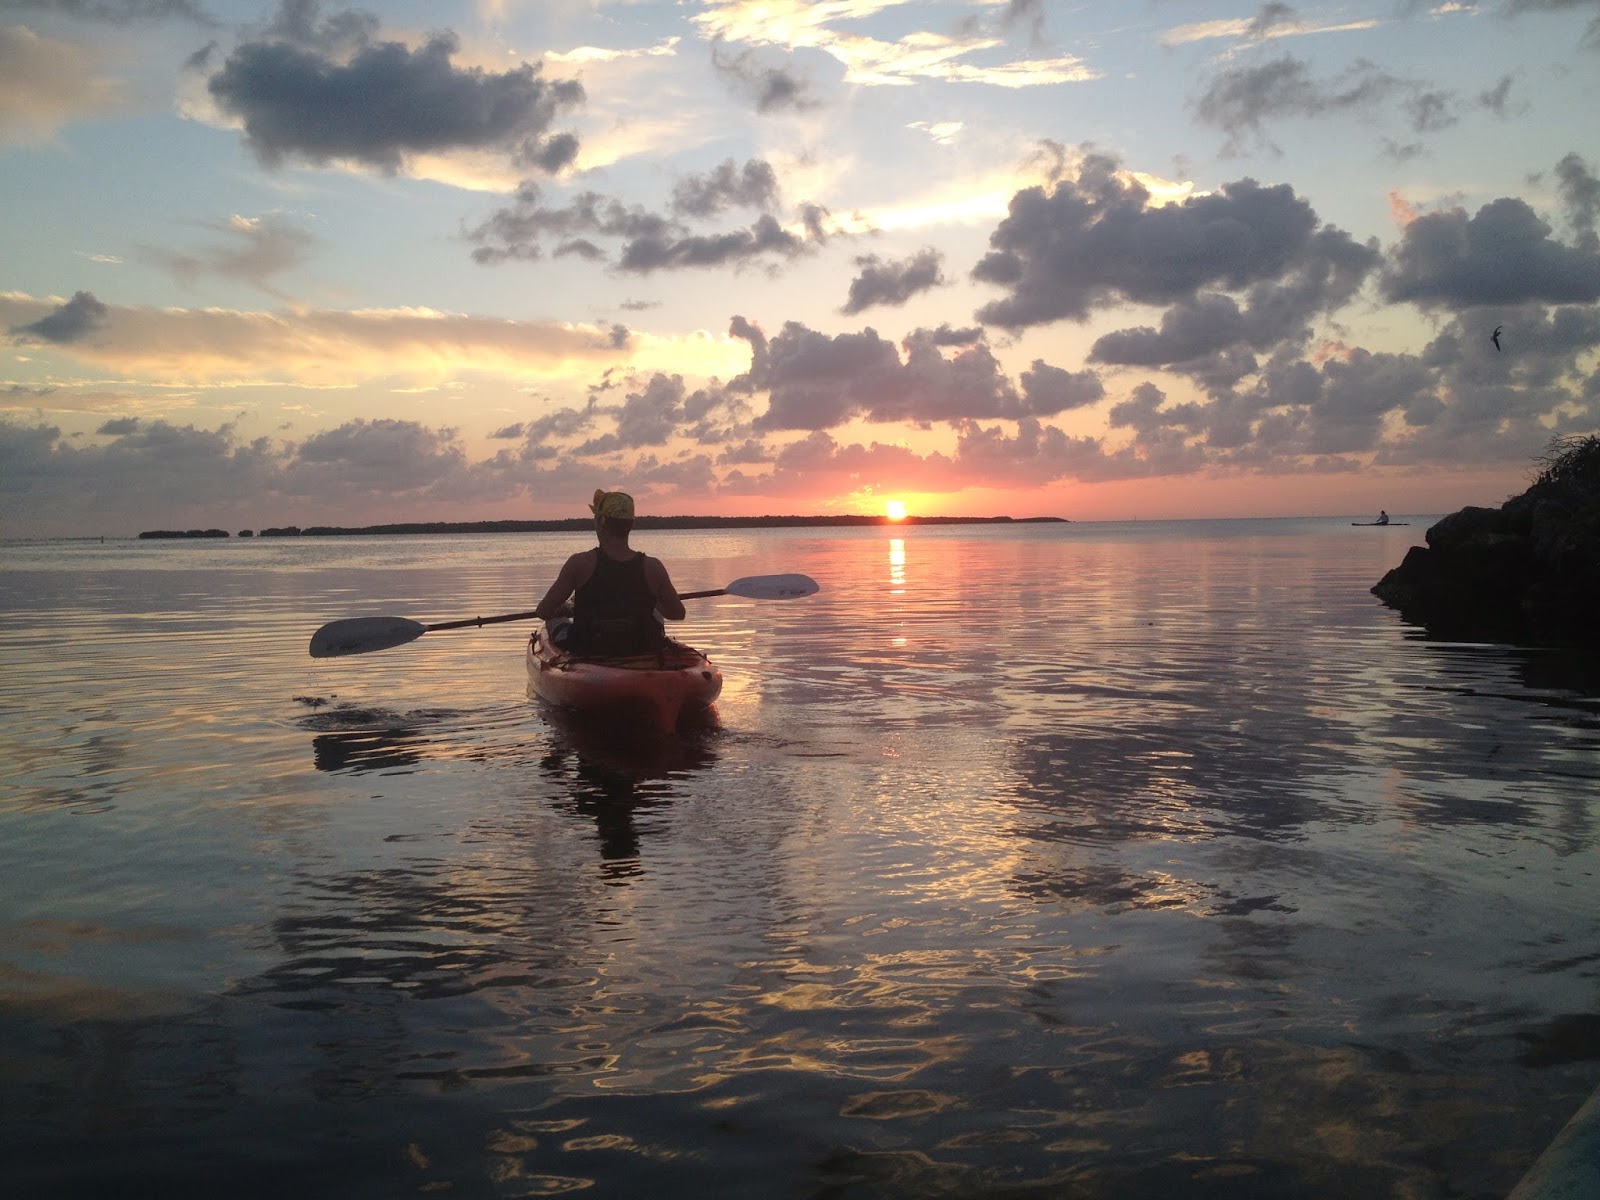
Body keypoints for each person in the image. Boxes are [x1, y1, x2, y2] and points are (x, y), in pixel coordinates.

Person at [534, 489, 686, 655]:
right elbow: (677, 613)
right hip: (641, 647)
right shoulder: (653, 568)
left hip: (589, 648)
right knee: (656, 613)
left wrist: (563, 609)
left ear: (600, 523)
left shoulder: (579, 564)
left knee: (553, 620)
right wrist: (651, 598)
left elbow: (543, 611)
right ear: (631, 525)